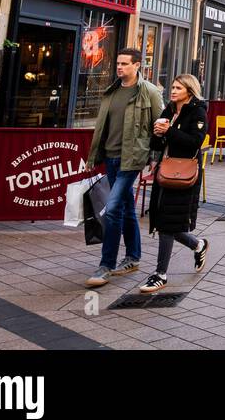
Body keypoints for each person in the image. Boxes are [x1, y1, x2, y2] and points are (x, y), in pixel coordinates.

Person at [85, 49, 164, 288]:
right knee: (128, 207)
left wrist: (154, 159)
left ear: (137, 65)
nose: (119, 67)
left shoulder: (149, 91)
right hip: (110, 157)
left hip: (132, 159)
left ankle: (105, 265)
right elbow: (103, 127)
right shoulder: (111, 91)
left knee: (113, 209)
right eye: (117, 63)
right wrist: (95, 154)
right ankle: (133, 257)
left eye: (124, 64)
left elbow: (160, 127)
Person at [138, 74, 209, 294]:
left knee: (167, 223)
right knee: (165, 221)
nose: (174, 90)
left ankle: (160, 274)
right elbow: (158, 143)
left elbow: (195, 142)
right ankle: (198, 245)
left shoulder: (198, 112)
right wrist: (158, 135)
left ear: (189, 90)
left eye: (179, 87)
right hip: (164, 169)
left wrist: (169, 131)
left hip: (183, 173)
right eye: (173, 87)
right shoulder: (169, 109)